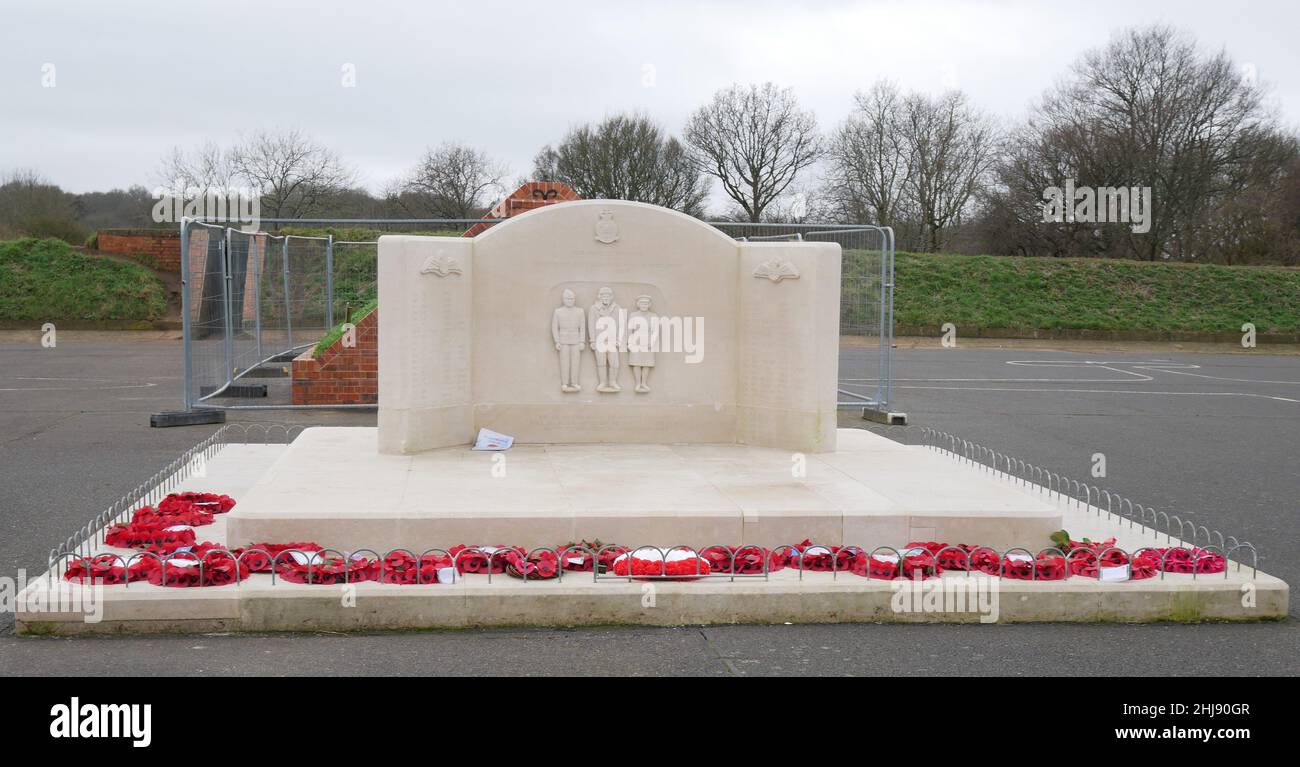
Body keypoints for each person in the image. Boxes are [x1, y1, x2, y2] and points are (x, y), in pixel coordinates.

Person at [588, 286, 625, 392]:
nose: (606, 297)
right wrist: (593, 340)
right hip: (599, 341)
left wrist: (618, 339)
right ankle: (602, 382)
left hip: (612, 341)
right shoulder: (594, 309)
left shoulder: (616, 308)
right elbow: (591, 324)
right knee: (601, 363)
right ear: (599, 296)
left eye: (608, 295)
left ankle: (613, 382)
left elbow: (621, 325)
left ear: (611, 297)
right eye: (603, 295)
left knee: (614, 363)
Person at [551, 289, 585, 392]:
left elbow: (582, 328)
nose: (570, 300)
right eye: (568, 298)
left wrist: (582, 341)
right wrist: (557, 341)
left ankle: (574, 382)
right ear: (563, 300)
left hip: (576, 340)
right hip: (563, 340)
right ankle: (565, 383)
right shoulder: (558, 311)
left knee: (576, 362)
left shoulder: (580, 311)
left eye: (572, 299)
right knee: (564, 362)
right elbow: (554, 327)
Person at [627, 294, 658, 393]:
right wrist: (630, 343)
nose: (644, 305)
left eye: (646, 303)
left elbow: (656, 331)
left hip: (648, 342)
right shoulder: (633, 315)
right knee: (636, 363)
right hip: (636, 341)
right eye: (642, 303)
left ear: (649, 305)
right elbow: (629, 330)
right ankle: (637, 383)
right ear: (638, 304)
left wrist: (651, 342)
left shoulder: (654, 316)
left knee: (646, 364)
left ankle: (644, 383)